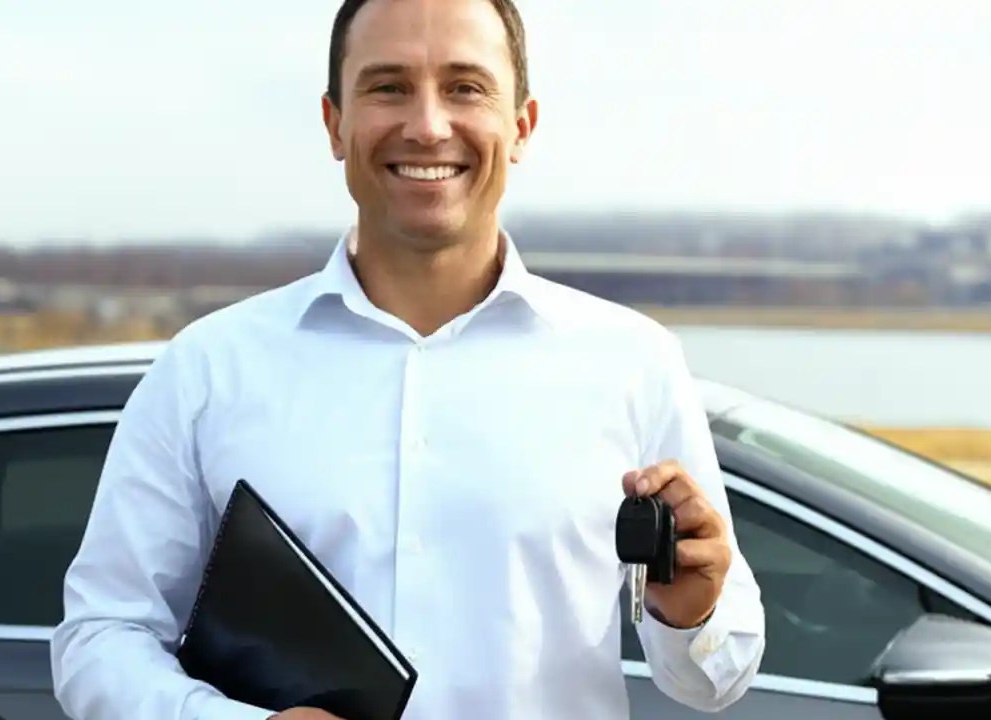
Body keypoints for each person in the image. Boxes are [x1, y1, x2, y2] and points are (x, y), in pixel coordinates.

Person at [48, 0, 766, 718]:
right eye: (388, 86)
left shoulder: (632, 363)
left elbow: (712, 680)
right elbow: (100, 638)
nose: (426, 125)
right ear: (334, 124)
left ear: (522, 126)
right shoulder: (207, 370)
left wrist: (691, 614)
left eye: (465, 87)